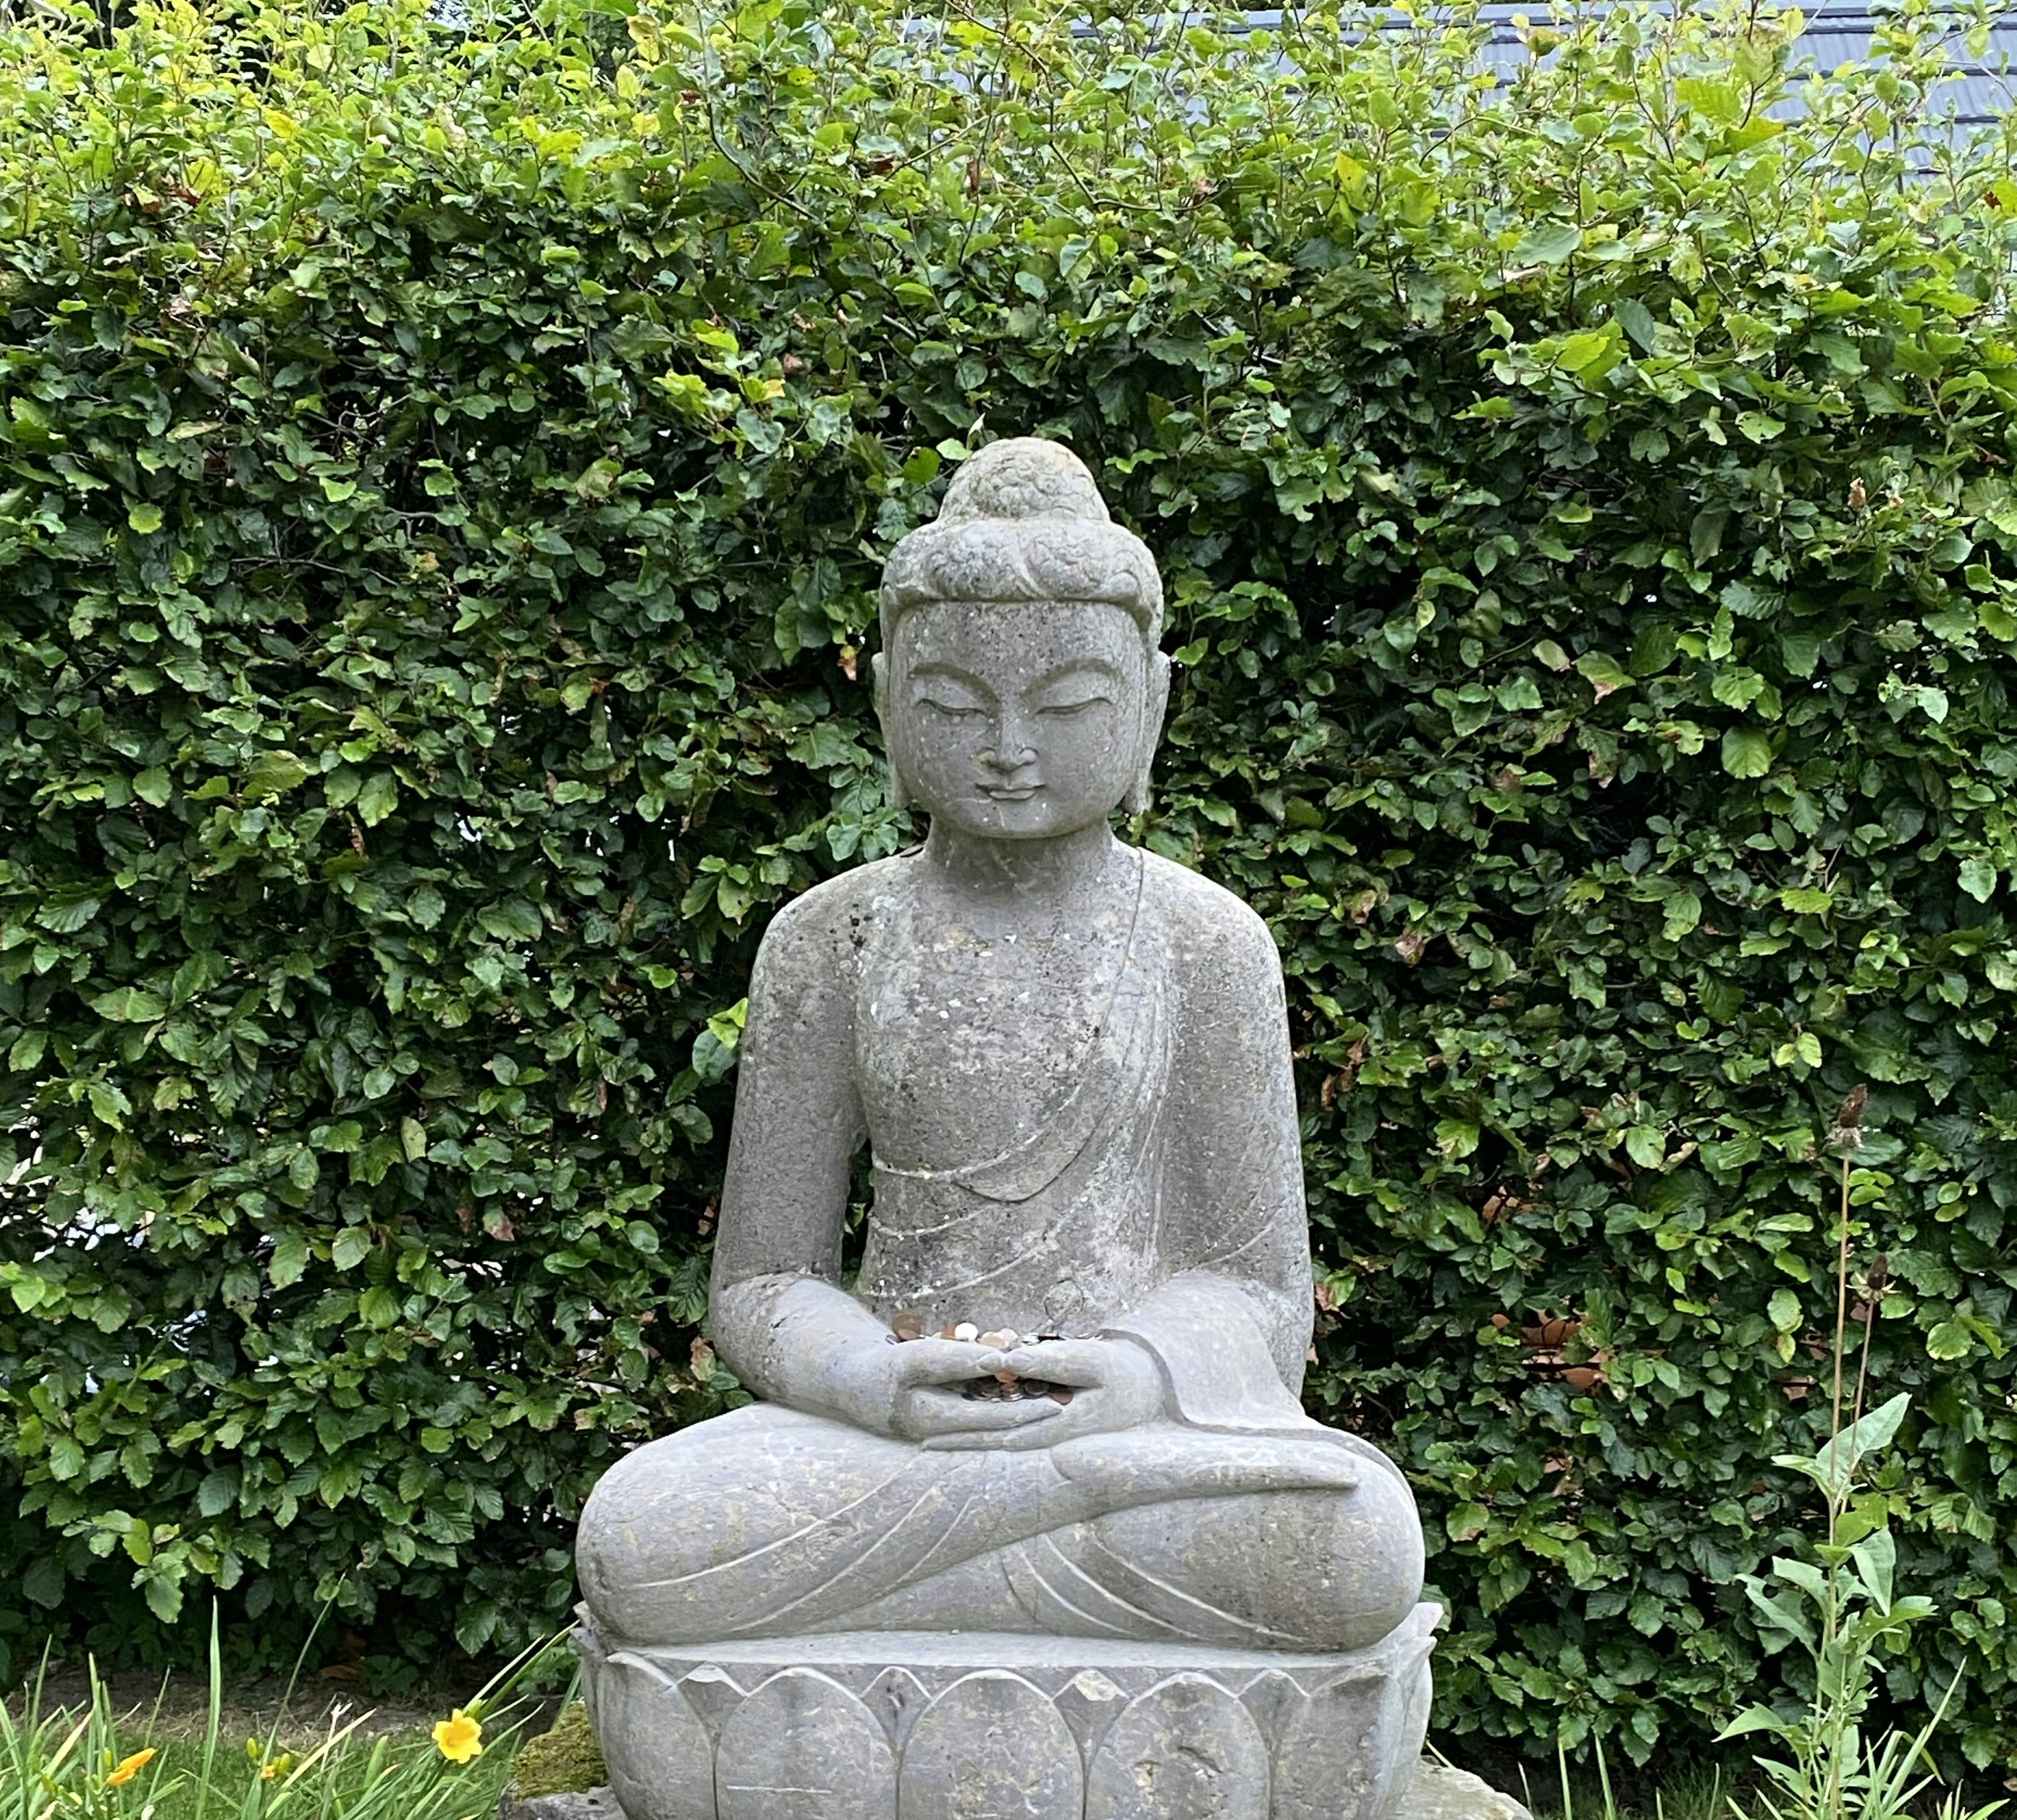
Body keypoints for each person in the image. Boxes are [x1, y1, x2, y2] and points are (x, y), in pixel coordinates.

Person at [576, 437, 1423, 1660]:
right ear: (885, 708)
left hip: (1132, 1429)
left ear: (1151, 709)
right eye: (955, 706)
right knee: (640, 1539)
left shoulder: (1207, 944)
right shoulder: (832, 939)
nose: (1010, 745)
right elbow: (762, 1284)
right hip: (885, 1432)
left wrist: (1128, 1378)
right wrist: (871, 1378)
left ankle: (984, 1558)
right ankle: (1013, 1553)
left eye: (1069, 703)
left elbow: (1259, 1294)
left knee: (1354, 1550)